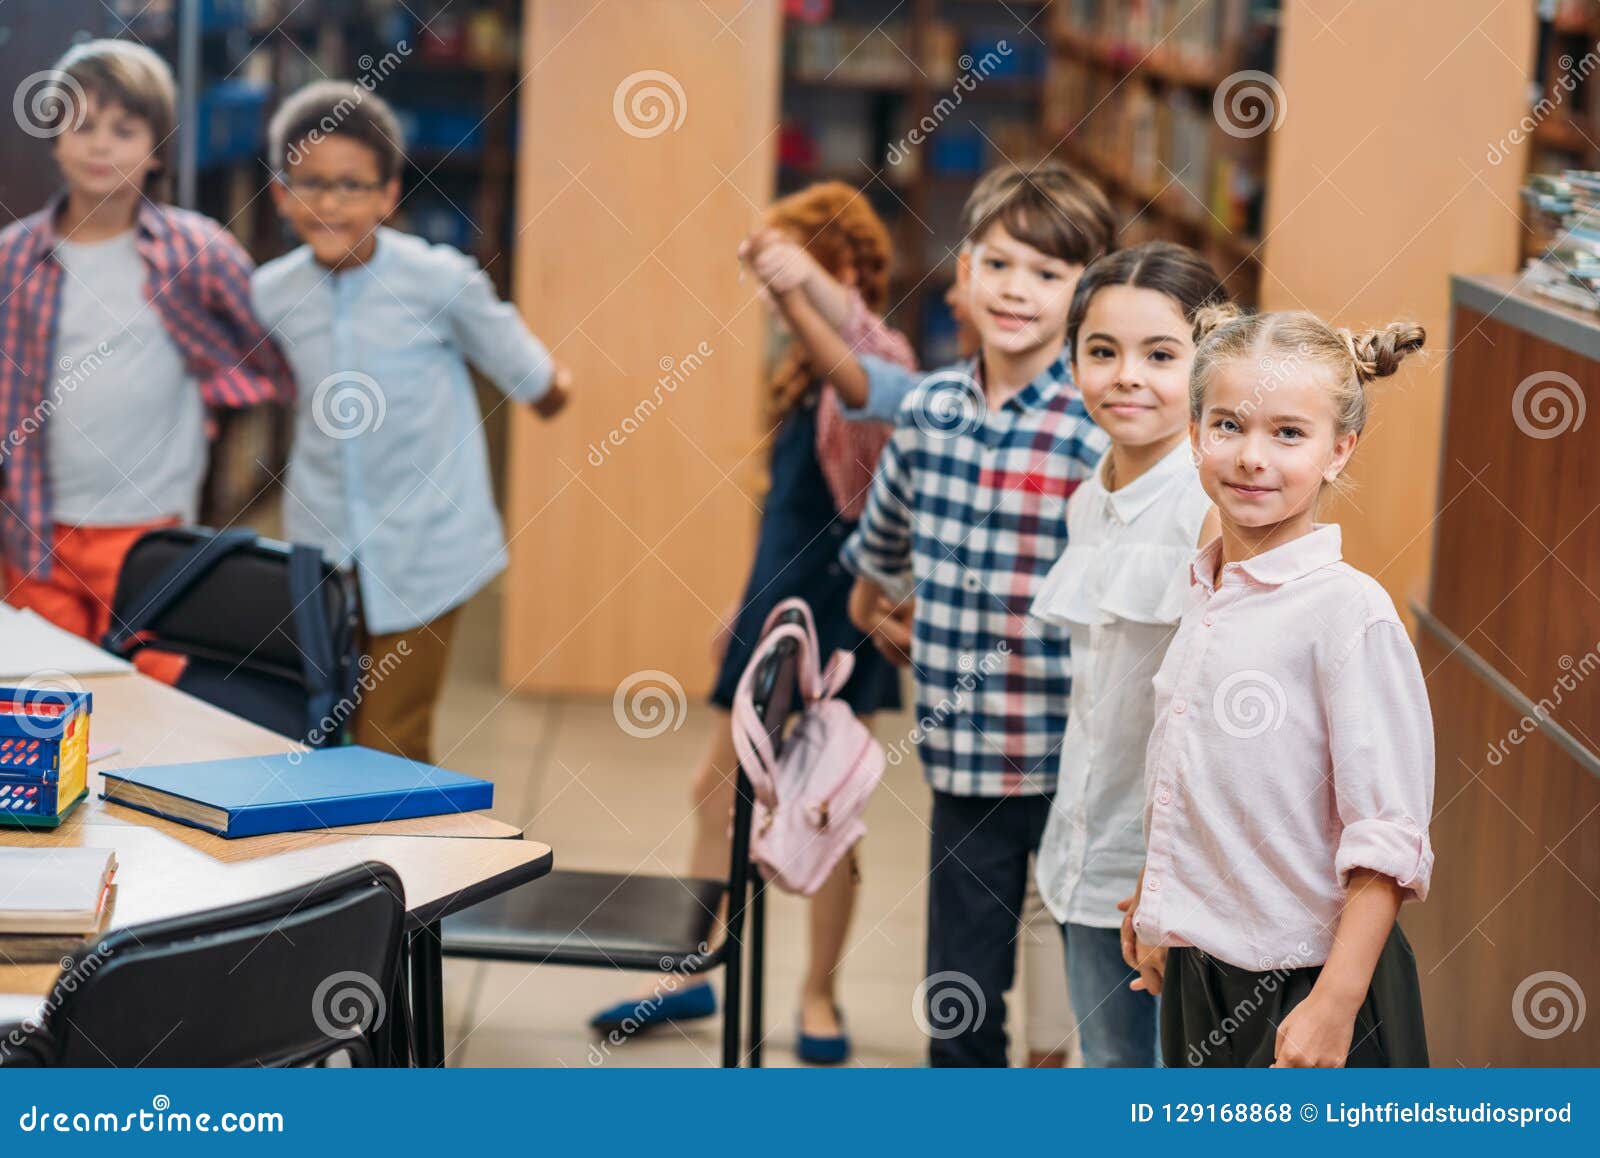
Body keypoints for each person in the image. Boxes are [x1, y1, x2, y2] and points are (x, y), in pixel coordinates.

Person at [589, 182, 914, 1065]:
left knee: (825, 809)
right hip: (775, 609)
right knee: (715, 789)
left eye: (792, 277)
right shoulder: (803, 366)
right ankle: (692, 963)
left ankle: (818, 993)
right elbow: (784, 512)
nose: (775, 304)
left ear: (836, 267)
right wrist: (741, 608)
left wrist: (799, 275)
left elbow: (868, 356)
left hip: (840, 616)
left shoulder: (870, 351)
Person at [825, 161, 1119, 1066]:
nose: (1016, 290)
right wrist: (874, 604)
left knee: (1072, 994)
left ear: (1085, 298)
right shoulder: (929, 409)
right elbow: (877, 552)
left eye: (1047, 274)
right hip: (966, 752)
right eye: (998, 264)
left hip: (1082, 755)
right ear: (961, 275)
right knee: (960, 986)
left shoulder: (1102, 427)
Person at [1122, 305, 1434, 1068]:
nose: (1251, 457)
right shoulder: (1208, 587)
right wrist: (1163, 904)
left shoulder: (1348, 615)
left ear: (1339, 449)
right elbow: (1194, 769)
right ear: (1193, 433)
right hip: (1201, 970)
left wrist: (1333, 1003)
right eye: (1228, 425)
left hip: (1314, 986)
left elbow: (1386, 842)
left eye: (1288, 433)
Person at [253, 81, 570, 764]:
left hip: (427, 545)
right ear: (280, 194)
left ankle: (396, 868)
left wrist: (551, 389)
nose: (330, 203)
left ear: (388, 194)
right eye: (309, 184)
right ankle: (329, 868)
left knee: (391, 739)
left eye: (351, 185)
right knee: (319, 734)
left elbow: (537, 380)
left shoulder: (440, 281)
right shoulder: (270, 293)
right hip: (320, 547)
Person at [0, 40, 293, 679]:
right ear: (54, 138)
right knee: (43, 702)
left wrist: (229, 396)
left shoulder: (197, 250)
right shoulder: (12, 257)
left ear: (156, 150)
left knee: (150, 701)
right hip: (36, 534)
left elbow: (270, 345)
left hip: (152, 531)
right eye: (82, 126)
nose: (100, 145)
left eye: (124, 130)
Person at [1029, 241, 1227, 1066]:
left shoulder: (1210, 504)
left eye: (1161, 355)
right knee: (1111, 1069)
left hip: (1167, 870)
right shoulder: (1091, 495)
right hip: (1085, 845)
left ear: (1207, 364)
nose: (1126, 377)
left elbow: (1215, 711)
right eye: (1102, 352)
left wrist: (1166, 873)